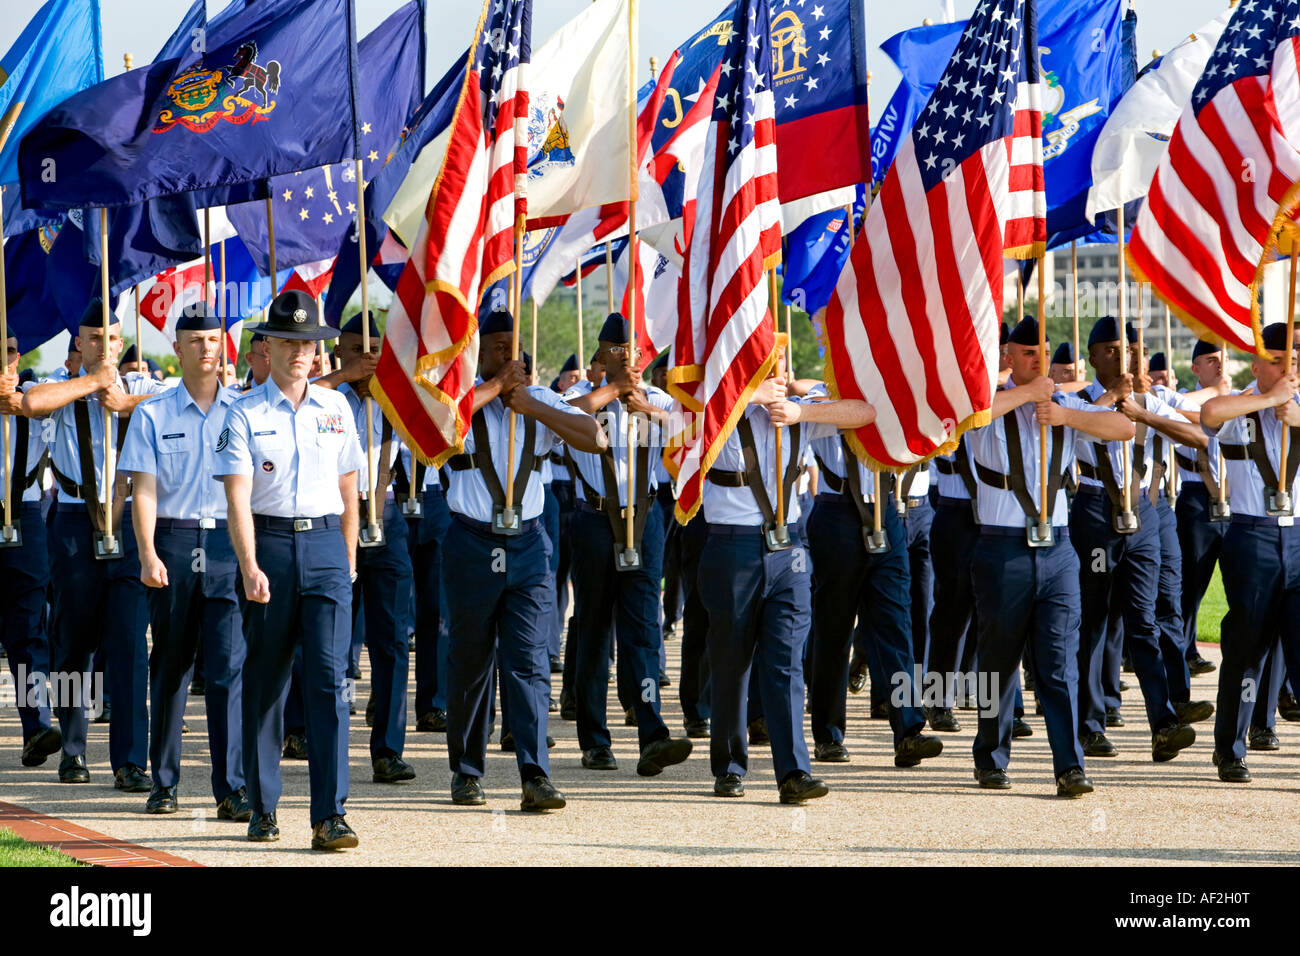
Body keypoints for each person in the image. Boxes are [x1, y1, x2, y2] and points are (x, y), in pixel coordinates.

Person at [214, 290, 365, 850]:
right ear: (268, 347)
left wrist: (347, 555)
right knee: (267, 683)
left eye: (308, 344)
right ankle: (263, 804)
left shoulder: (336, 408)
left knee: (329, 682)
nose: (300, 353)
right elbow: (237, 498)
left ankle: (330, 814)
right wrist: (249, 565)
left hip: (326, 547)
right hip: (270, 549)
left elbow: (351, 487)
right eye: (288, 342)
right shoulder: (244, 413)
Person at [442, 310, 605, 812]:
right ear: (478, 354)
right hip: (471, 542)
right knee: (471, 662)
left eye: (512, 348)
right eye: (493, 348)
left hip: (529, 546)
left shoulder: (541, 399)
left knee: (530, 662)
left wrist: (531, 403)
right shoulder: (461, 398)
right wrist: (494, 390)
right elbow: (437, 426)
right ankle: (467, 771)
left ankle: (534, 774)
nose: (505, 357)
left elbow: (592, 435)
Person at [966, 317, 1133, 795]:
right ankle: (991, 756)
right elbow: (970, 417)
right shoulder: (988, 403)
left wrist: (1066, 415)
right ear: (1008, 357)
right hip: (1002, 546)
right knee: (998, 661)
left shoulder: (1065, 404)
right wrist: (1027, 393)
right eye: (1028, 353)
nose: (1040, 361)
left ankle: (1069, 765)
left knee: (1060, 662)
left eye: (1043, 353)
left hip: (1057, 547)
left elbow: (1122, 426)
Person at [698, 351, 874, 803]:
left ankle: (793, 771)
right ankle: (730, 766)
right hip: (732, 545)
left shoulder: (797, 408)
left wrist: (802, 410)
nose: (774, 370)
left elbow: (864, 411)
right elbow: (683, 413)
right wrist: (745, 396)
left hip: (789, 547)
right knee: (732, 662)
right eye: (761, 361)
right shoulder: (715, 405)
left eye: (778, 361)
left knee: (786, 663)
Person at [23, 300, 169, 790]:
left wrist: (124, 402)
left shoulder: (144, 387)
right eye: (92, 339)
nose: (103, 347)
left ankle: (130, 762)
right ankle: (73, 749)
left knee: (129, 646)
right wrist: (92, 383)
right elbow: (30, 402)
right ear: (77, 345)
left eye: (110, 338)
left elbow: (192, 396)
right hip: (72, 523)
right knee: (74, 644)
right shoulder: (66, 390)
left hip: (131, 526)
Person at [119, 304, 249, 819]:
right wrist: (148, 553)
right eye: (195, 341)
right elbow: (143, 492)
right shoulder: (153, 413)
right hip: (172, 543)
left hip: (226, 544)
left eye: (214, 339)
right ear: (176, 349)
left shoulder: (243, 411)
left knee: (228, 670)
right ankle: (165, 782)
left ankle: (230, 788)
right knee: (171, 668)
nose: (206, 349)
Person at [561, 314, 693, 776]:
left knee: (642, 629)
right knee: (595, 629)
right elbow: (561, 416)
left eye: (631, 354)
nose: (626, 361)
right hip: (594, 518)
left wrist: (646, 409)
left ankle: (651, 729)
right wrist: (613, 393)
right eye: (615, 355)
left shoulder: (656, 399)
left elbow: (693, 436)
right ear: (598, 359)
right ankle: (595, 739)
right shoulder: (582, 400)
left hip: (646, 516)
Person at [1070, 317, 1206, 762]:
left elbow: (1199, 438)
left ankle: (1162, 721)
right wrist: (1111, 403)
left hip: (1143, 512)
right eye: (1109, 349)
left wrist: (1143, 413)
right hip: (1093, 509)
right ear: (1091, 356)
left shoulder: (1148, 401)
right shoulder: (1077, 401)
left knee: (1144, 620)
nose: (1120, 355)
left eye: (1126, 348)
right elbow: (1074, 429)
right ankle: (1089, 724)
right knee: (1093, 620)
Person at [805, 382, 944, 768]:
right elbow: (822, 411)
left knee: (895, 625)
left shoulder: (894, 382)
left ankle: (908, 730)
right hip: (838, 514)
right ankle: (829, 734)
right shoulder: (820, 393)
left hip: (888, 510)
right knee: (834, 630)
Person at [1200, 322, 1300, 783]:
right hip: (1252, 535)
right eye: (1276, 360)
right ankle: (1231, 748)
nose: (1287, 368)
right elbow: (1211, 413)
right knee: (1246, 648)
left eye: (1293, 361)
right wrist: (1269, 399)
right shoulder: (1240, 406)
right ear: (1256, 364)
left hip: (1298, 536)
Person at [331, 313, 418, 784]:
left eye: (374, 349)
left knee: (390, 639)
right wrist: (344, 379)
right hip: (333, 520)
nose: (365, 357)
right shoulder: (325, 397)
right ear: (340, 352)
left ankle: (387, 747)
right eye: (353, 350)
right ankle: (319, 732)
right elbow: (292, 402)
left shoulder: (395, 399)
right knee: (330, 639)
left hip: (385, 518)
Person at [0, 336, 60, 768]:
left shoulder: (37, 399)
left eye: (7, 353)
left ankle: (36, 724)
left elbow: (80, 390)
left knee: (30, 628)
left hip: (24, 513)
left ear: (18, 359)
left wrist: (22, 401)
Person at [1177, 339, 1232, 677]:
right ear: (1196, 367)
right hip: (1197, 499)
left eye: (1223, 359)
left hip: (1238, 499)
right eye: (1211, 360)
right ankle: (1185, 652)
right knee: (1190, 584)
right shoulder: (1183, 398)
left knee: (1242, 587)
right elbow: (1168, 407)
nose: (1220, 366)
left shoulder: (1239, 398)